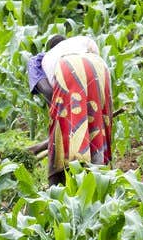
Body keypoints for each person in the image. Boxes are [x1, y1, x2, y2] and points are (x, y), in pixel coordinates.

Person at [25, 33, 113, 186]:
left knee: (60, 136)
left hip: (68, 68)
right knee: (98, 126)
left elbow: (47, 91)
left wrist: (57, 131)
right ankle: (100, 180)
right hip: (99, 66)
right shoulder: (82, 42)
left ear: (49, 50)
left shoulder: (38, 60)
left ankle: (56, 188)